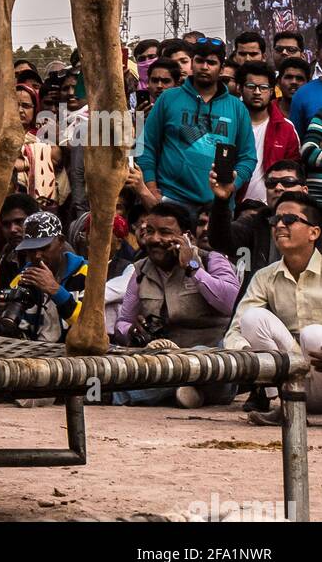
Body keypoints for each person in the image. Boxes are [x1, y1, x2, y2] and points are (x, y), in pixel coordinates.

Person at [113, 200, 240, 407]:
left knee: (199, 355)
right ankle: (186, 393)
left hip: (213, 363)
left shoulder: (211, 260)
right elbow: (123, 321)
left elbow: (231, 304)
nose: (155, 239)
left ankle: (116, 395)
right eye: (150, 231)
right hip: (163, 363)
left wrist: (193, 268)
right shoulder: (140, 271)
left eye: (165, 233)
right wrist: (131, 332)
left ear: (186, 237)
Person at [224, 192, 322, 424]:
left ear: (313, 232)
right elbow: (236, 330)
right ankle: (281, 403)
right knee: (253, 318)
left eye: (289, 220)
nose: (279, 225)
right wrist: (249, 356)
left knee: (314, 334)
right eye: (274, 220)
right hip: (291, 376)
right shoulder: (264, 277)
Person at [136, 38, 256, 208]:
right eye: (199, 60)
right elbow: (145, 145)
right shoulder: (168, 98)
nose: (204, 67)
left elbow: (248, 157)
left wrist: (233, 186)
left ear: (221, 69)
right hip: (171, 201)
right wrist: (151, 187)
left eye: (211, 62)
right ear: (192, 64)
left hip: (217, 206)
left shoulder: (237, 108)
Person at [0, 211, 87, 343]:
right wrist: (1, 311)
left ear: (61, 241)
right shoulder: (23, 278)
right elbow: (16, 333)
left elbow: (89, 326)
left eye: (44, 248)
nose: (37, 256)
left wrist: (56, 291)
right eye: (31, 250)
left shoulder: (87, 274)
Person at [208, 159, 307, 279]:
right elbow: (221, 241)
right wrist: (222, 200)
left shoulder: (317, 222)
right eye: (271, 183)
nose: (278, 187)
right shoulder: (256, 222)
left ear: (304, 191)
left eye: (287, 182)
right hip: (259, 296)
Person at [235, 62, 300, 204]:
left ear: (272, 91)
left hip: (270, 210)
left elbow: (292, 175)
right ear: (239, 88)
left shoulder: (286, 129)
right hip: (232, 205)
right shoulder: (229, 123)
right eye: (251, 87)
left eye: (263, 87)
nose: (257, 92)